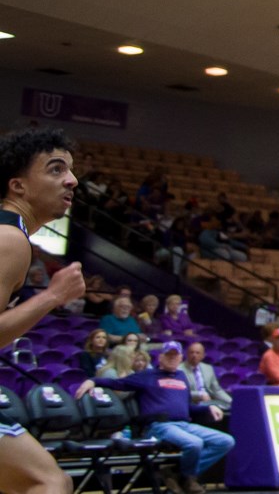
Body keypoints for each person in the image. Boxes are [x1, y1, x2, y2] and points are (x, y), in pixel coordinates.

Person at [0, 128, 88, 494]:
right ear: (18, 186)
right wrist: (52, 296)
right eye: (56, 169)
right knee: (48, 482)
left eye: (70, 169)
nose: (72, 180)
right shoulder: (9, 239)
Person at [80, 341, 232, 493]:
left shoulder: (181, 376)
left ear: (180, 358)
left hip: (184, 424)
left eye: (175, 355)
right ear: (160, 358)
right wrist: (93, 381)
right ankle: (187, 477)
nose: (172, 358)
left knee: (225, 441)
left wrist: (208, 407)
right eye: (168, 355)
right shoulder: (147, 375)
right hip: (159, 425)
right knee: (195, 443)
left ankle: (178, 473)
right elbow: (118, 383)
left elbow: (187, 407)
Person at [181, 341, 232, 410]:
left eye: (197, 353)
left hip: (209, 402)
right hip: (190, 404)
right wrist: (199, 395)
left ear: (203, 356)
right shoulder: (179, 369)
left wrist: (231, 401)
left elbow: (217, 390)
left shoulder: (208, 368)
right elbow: (181, 392)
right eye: (191, 352)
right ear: (187, 354)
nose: (194, 355)